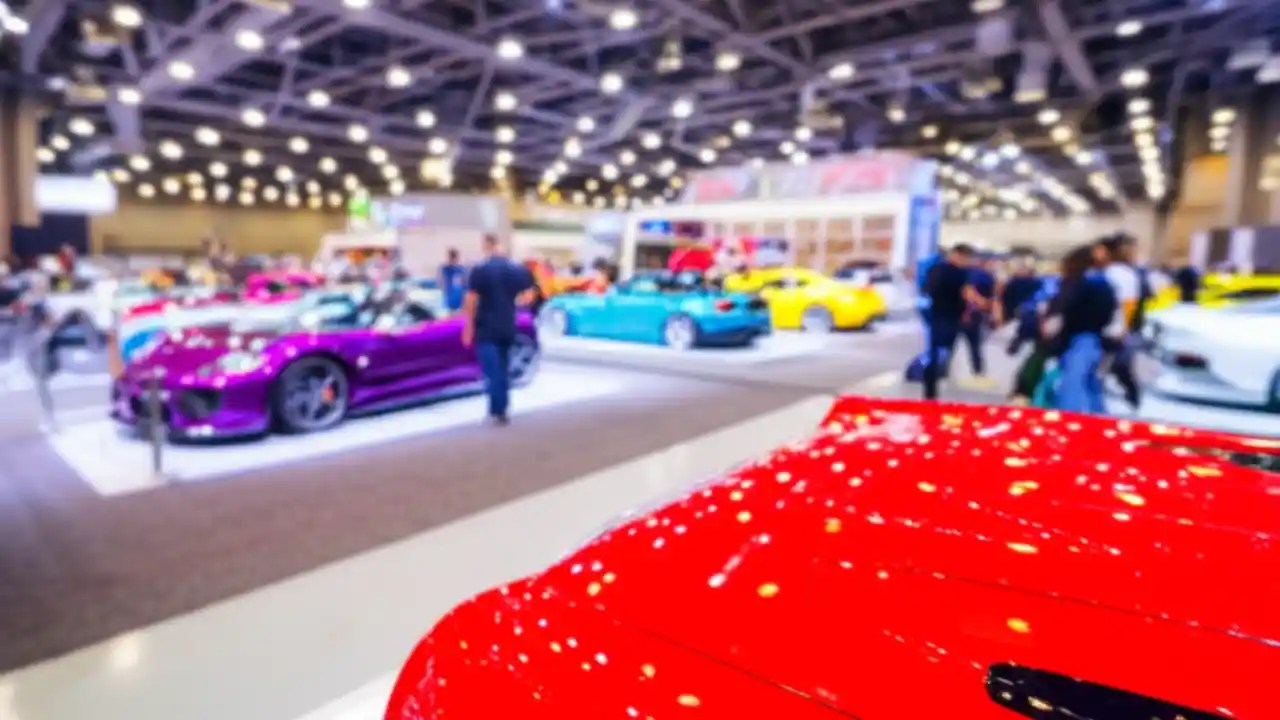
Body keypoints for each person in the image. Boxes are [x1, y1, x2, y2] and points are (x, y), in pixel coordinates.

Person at [462, 235, 535, 426]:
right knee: (502, 368)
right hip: (507, 326)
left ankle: (496, 410)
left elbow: (471, 300)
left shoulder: (480, 270)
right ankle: (502, 409)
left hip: (486, 327)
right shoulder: (517, 269)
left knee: (491, 370)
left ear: (487, 246)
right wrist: (512, 303)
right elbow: (529, 296)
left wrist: (468, 326)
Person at [1045, 245, 1117, 414]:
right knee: (1090, 383)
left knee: (1073, 385)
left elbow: (1066, 307)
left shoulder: (1080, 283)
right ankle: (1099, 419)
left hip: (1079, 337)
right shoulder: (1102, 282)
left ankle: (1070, 422)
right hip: (1093, 337)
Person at [922, 244, 981, 400]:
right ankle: (931, 392)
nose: (967, 261)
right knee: (938, 355)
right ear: (956, 255)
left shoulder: (937, 269)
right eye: (965, 258)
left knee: (939, 354)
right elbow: (967, 295)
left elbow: (927, 289)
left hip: (944, 317)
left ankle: (931, 392)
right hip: (944, 317)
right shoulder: (952, 272)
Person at [1096, 234, 1143, 410]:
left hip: (1111, 330)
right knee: (1115, 367)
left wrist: (1121, 328)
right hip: (1114, 329)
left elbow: (1127, 304)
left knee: (1108, 368)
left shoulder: (1117, 274)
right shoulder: (1123, 273)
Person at [961, 255, 997, 384]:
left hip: (965, 314)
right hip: (973, 314)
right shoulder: (984, 276)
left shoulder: (967, 273)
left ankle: (940, 369)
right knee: (975, 344)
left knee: (971, 344)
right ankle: (978, 371)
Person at [439, 248, 467, 316]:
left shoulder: (461, 269)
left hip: (459, 300)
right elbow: (440, 281)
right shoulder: (446, 268)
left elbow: (465, 282)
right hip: (450, 301)